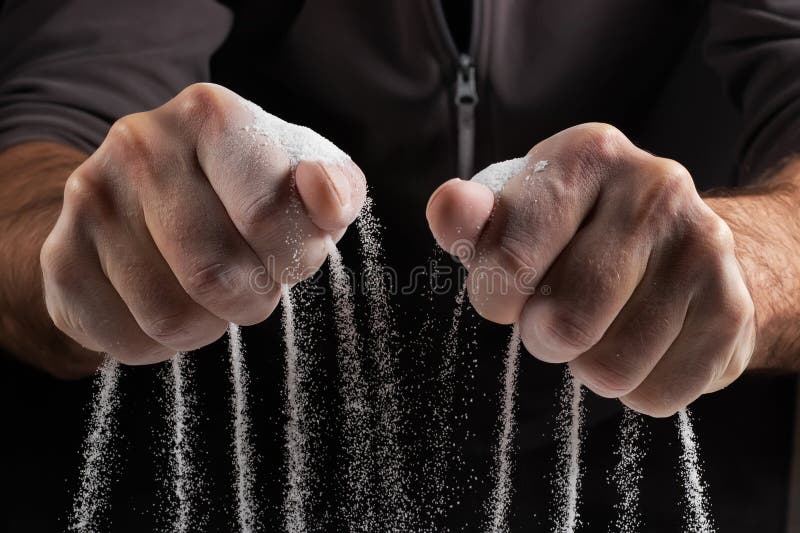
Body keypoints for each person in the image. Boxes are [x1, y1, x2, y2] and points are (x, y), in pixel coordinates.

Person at [0, 0, 798, 531]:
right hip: (231, 478)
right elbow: (44, 131)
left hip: (653, 479)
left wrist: (739, 261)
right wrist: (89, 243)